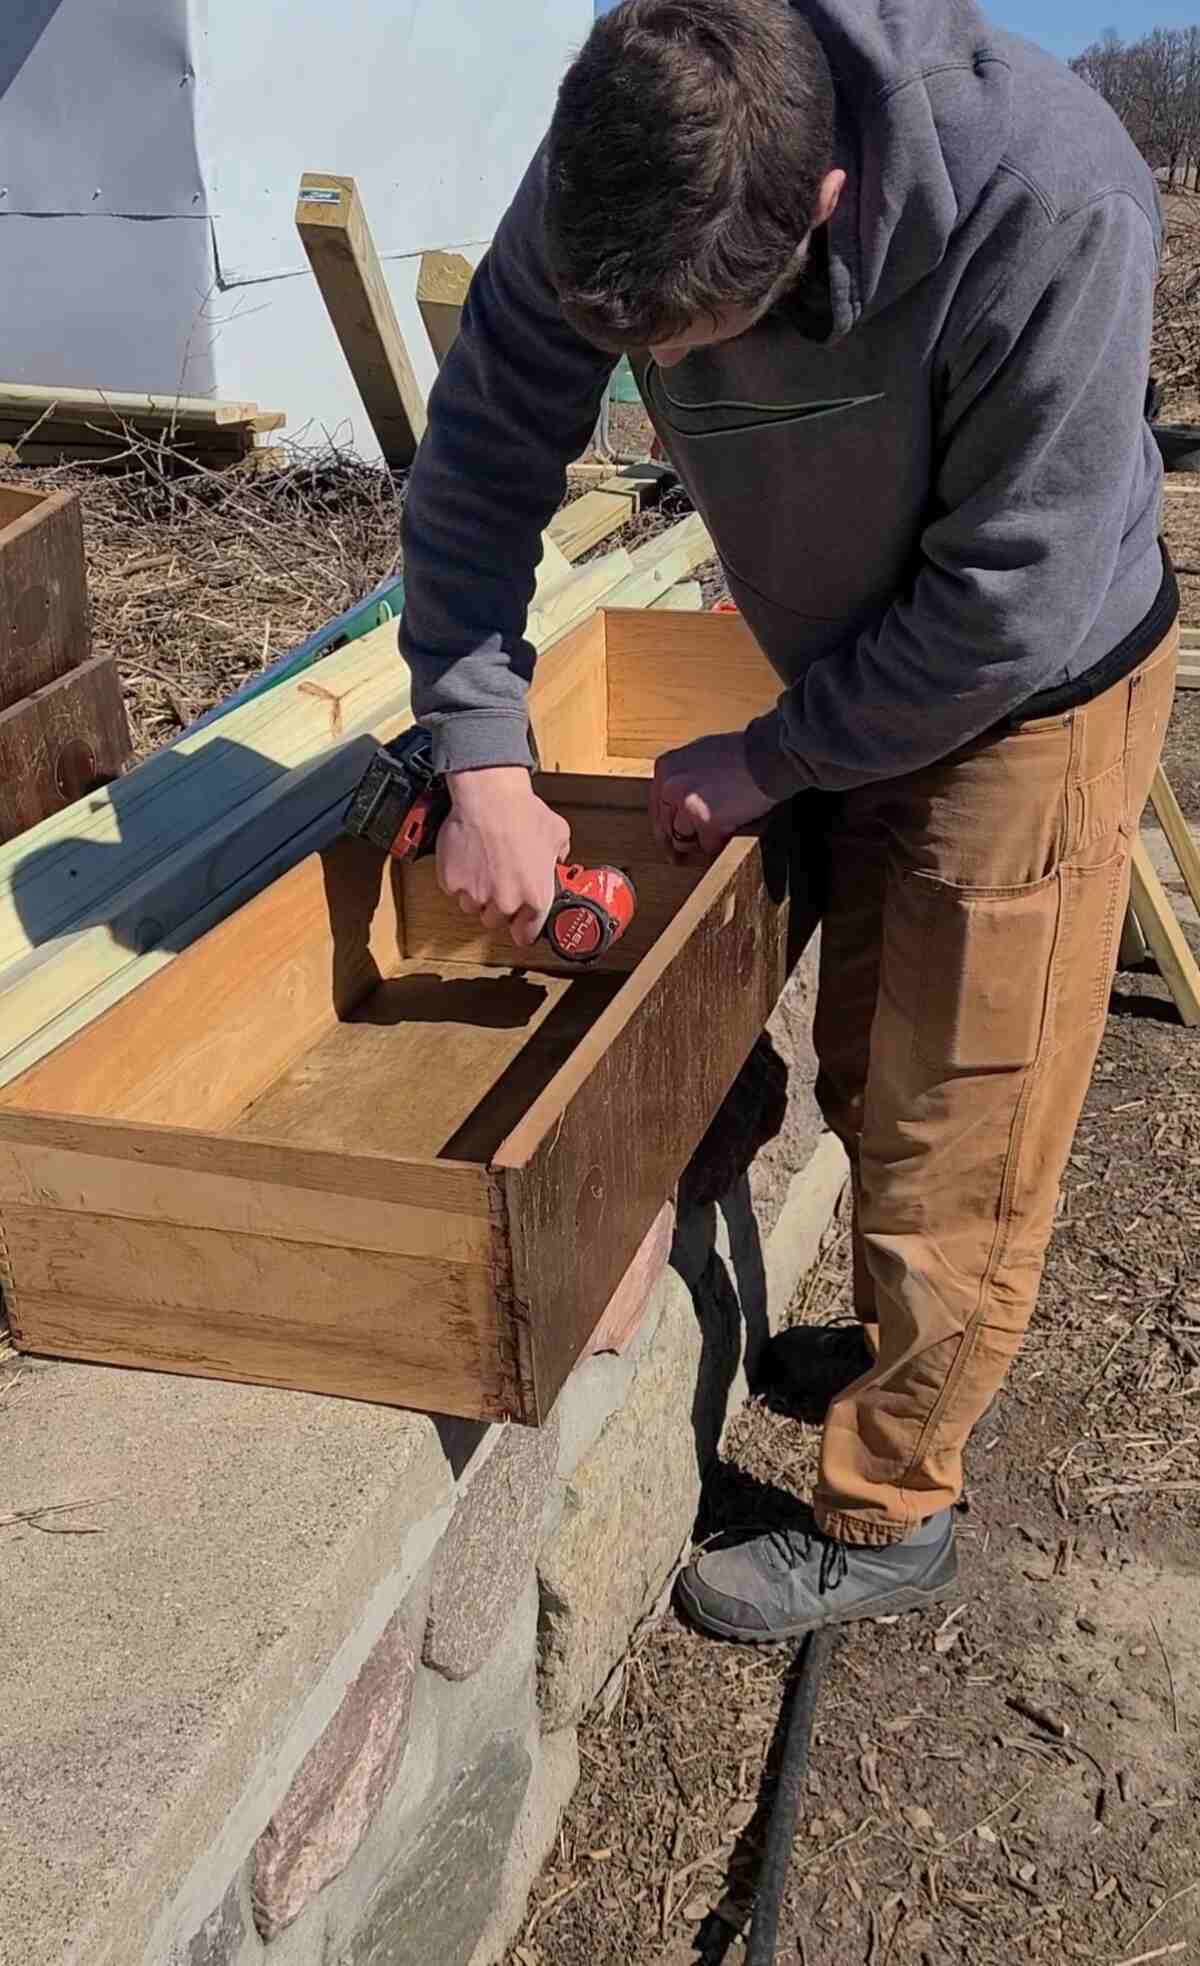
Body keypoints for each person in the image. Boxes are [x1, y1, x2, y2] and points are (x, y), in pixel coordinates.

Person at [400, 0, 1177, 1641]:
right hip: (842, 657)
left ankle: (897, 1501)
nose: (665, 379)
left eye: (688, 345)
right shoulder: (629, 152)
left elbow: (1002, 613)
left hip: (1030, 684)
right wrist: (478, 755)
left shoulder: (1051, 196)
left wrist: (773, 756)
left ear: (823, 203)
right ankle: (907, 1335)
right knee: (865, 1055)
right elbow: (479, 461)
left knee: (960, 1116)